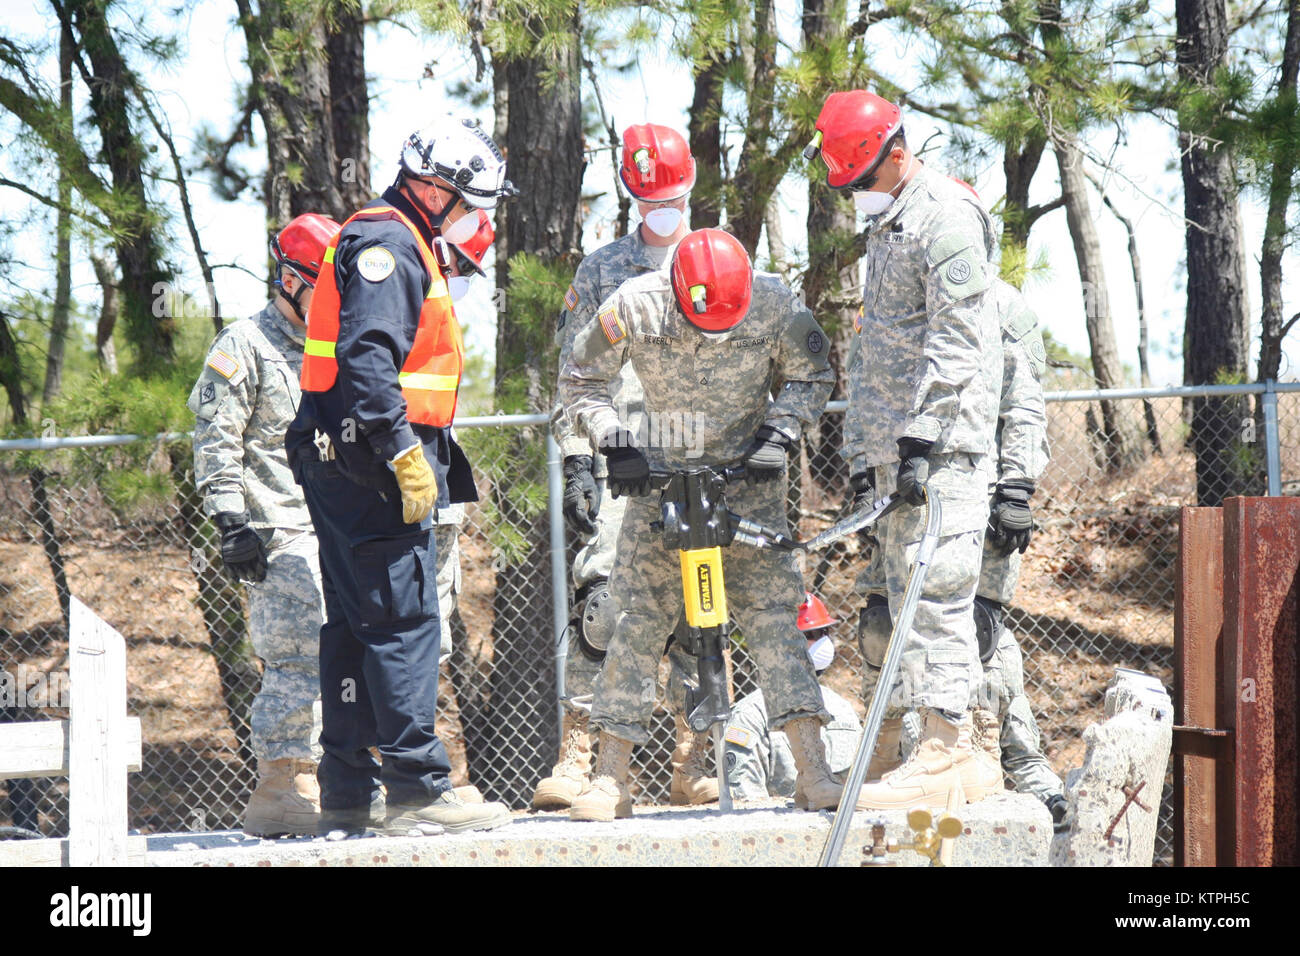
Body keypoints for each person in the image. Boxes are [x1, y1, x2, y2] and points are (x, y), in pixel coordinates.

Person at [558, 227, 842, 821]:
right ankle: (609, 779)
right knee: (635, 622)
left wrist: (780, 433)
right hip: (659, 479)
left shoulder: (775, 300)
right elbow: (579, 379)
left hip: (748, 482)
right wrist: (614, 441)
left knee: (773, 623)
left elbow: (813, 375)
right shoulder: (636, 302)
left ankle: (814, 772)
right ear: (678, 293)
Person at [285, 117, 516, 836]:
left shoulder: (386, 235)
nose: (473, 217)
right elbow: (369, 361)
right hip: (373, 465)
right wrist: (402, 454)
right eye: (468, 201)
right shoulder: (391, 243)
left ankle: (350, 790)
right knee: (405, 623)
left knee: (357, 626)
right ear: (435, 189)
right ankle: (418, 786)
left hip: (344, 461)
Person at [807, 90, 1003, 810]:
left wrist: (923, 433)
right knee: (902, 602)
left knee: (940, 593)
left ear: (896, 154)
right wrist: (866, 457)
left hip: (940, 450)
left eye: (860, 180)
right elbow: (878, 353)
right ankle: (954, 751)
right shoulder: (889, 225)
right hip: (896, 457)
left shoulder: (944, 215)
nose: (854, 195)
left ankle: (948, 750)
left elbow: (958, 338)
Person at [534, 123, 717, 810]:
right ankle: (582, 754)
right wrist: (578, 458)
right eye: (647, 198)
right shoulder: (602, 269)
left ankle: (695, 753)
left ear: (691, 185)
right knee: (603, 606)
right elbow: (572, 373)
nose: (660, 208)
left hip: (697, 455)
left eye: (669, 194)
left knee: (700, 606)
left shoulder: (719, 259)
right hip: (619, 458)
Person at [188, 212, 339, 837]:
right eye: (322, 289)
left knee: (350, 657)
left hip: (339, 530)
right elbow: (215, 438)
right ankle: (283, 785)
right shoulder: (243, 344)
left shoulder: (333, 344)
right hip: (277, 532)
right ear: (290, 278)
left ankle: (343, 777)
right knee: (296, 660)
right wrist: (230, 521)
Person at [724, 594, 862, 802]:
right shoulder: (752, 715)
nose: (823, 642)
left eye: (825, 632)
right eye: (813, 634)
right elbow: (745, 801)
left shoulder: (843, 709)